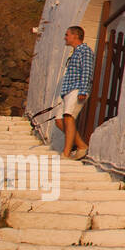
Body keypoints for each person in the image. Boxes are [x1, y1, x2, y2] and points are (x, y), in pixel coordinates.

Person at [53, 25, 94, 160]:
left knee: (69, 117)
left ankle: (66, 153)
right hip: (68, 91)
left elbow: (87, 71)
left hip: (77, 89)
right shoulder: (74, 52)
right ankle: (81, 146)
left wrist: (83, 90)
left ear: (75, 36)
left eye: (67, 34)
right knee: (59, 120)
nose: (65, 37)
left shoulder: (85, 51)